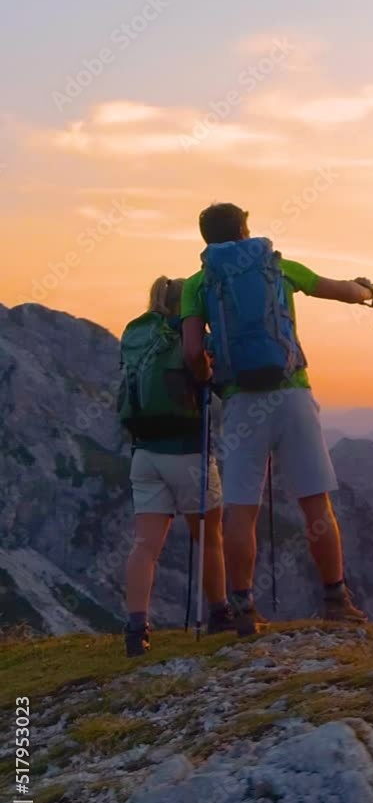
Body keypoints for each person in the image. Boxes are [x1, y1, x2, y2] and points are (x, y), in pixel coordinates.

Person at [182, 203, 373, 637]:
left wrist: (207, 379)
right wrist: (364, 289)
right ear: (246, 229)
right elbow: (342, 291)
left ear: (205, 239)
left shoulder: (198, 283)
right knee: (315, 503)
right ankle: (336, 600)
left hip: (242, 402)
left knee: (241, 511)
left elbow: (193, 351)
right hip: (293, 394)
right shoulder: (278, 266)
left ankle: (243, 608)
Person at [122, 276, 234, 657]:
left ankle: (137, 629)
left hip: (144, 453)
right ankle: (220, 614)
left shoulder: (139, 336)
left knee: (145, 546)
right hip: (188, 452)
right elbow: (214, 379)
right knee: (209, 538)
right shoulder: (190, 338)